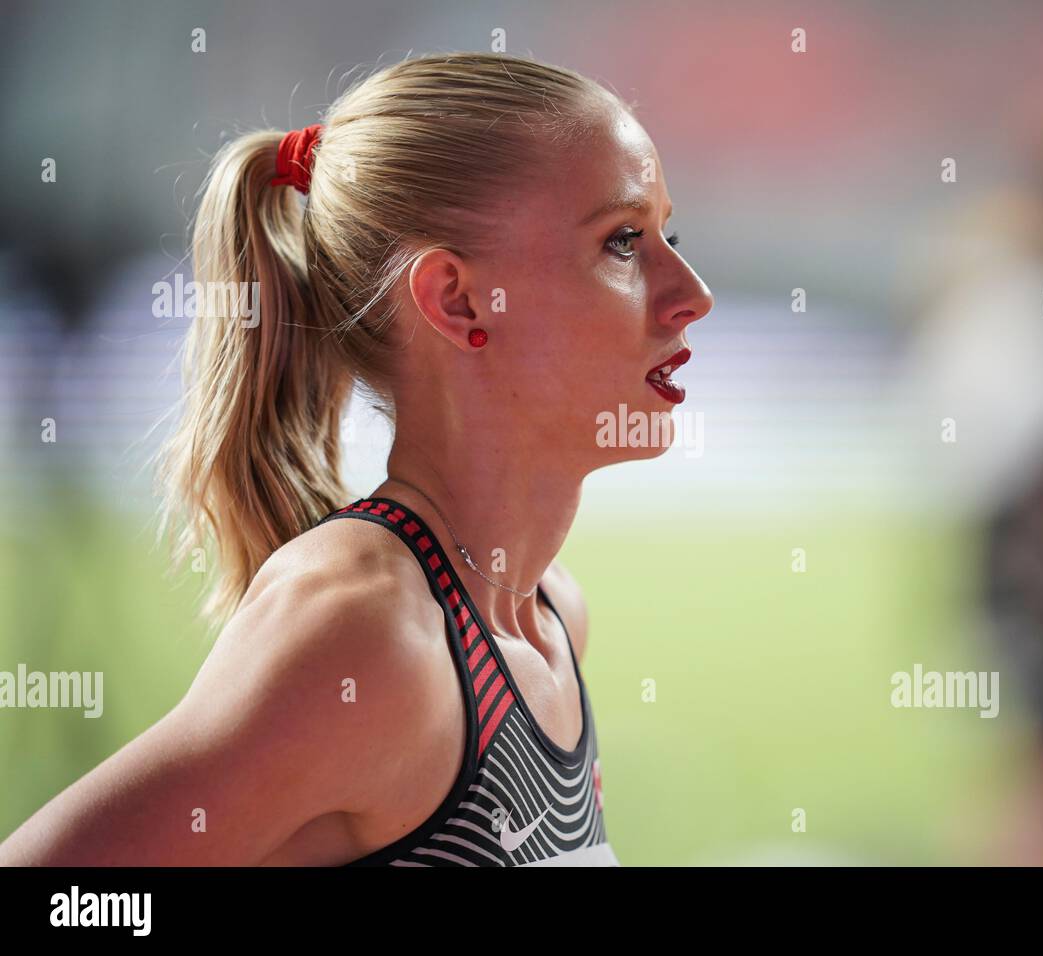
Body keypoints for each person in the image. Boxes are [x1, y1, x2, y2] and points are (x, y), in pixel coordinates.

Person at [0, 52, 713, 866]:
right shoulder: (369, 636)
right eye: (623, 242)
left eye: (668, 232)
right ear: (455, 298)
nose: (691, 291)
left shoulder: (550, 615)